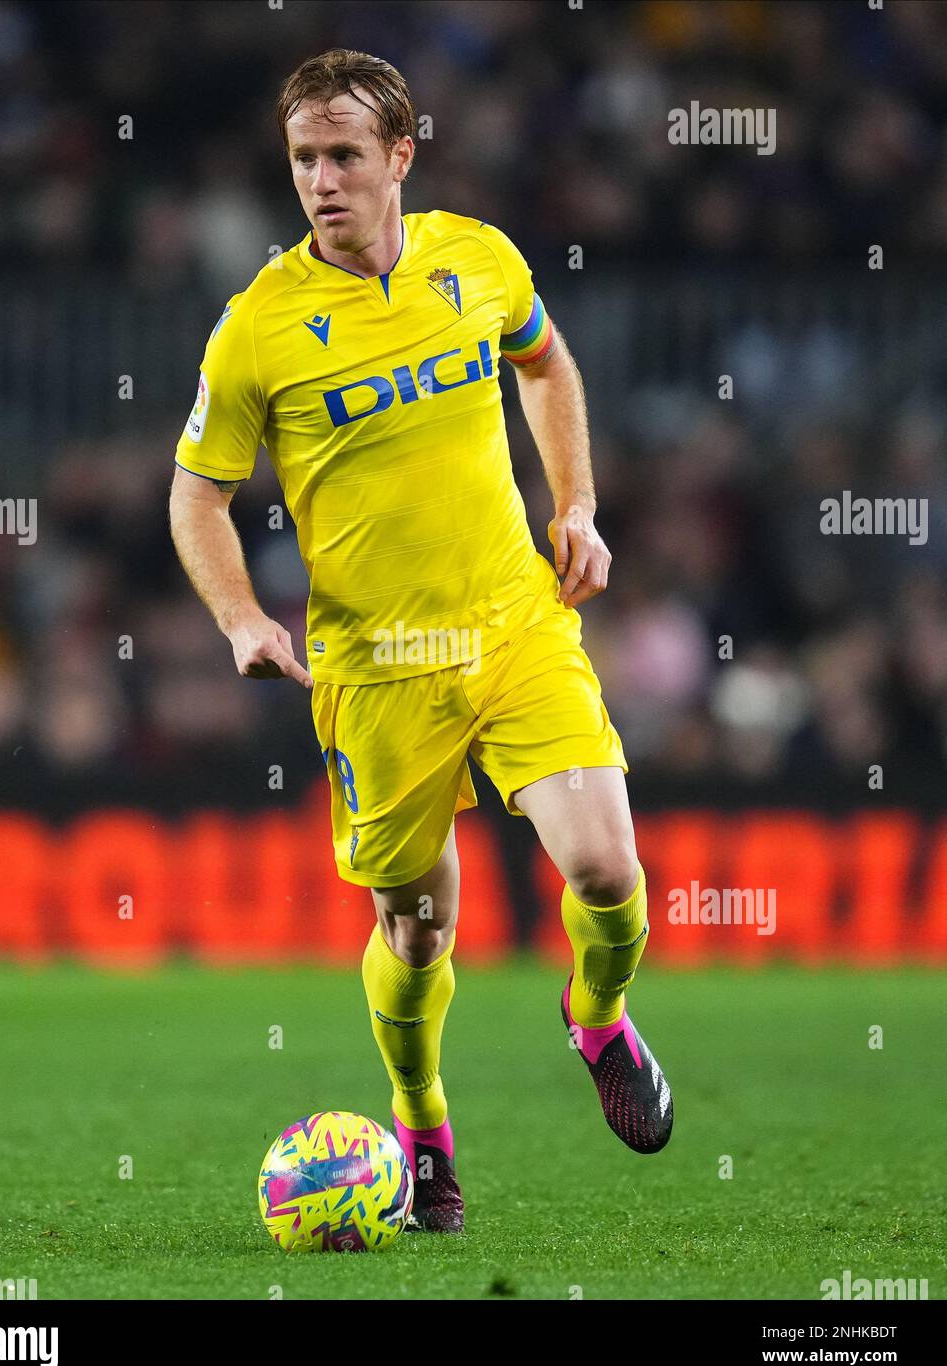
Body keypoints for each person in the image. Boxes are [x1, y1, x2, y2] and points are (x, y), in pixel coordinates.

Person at [170, 48, 672, 1235]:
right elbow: (196, 494)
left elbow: (545, 363)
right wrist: (241, 615)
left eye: (345, 155)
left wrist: (576, 504)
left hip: (511, 619)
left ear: (401, 154)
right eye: (303, 159)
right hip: (375, 667)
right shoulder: (258, 328)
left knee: (604, 865)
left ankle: (595, 1018)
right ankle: (422, 1124)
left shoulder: (479, 260)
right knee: (417, 925)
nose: (321, 181)